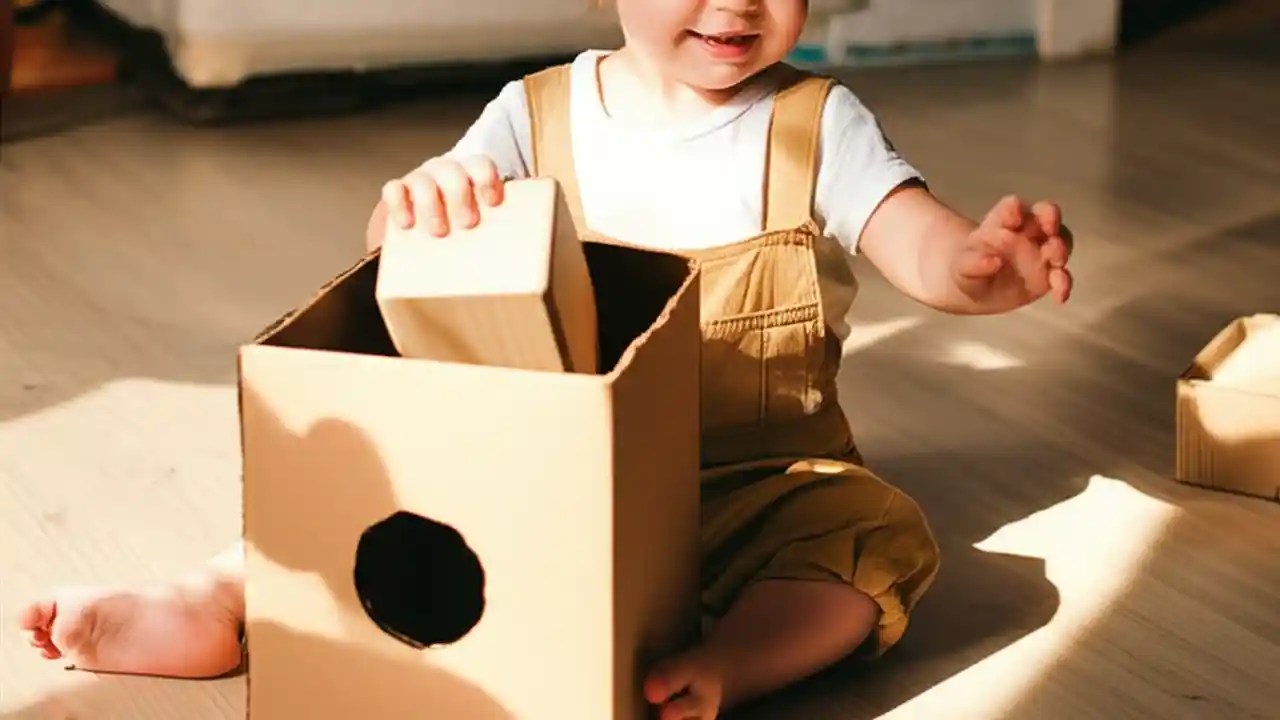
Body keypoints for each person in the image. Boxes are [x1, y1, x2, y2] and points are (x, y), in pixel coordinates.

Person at [20, 1, 1074, 717]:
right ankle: (222, 597)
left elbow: (917, 243)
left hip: (750, 483)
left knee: (864, 537)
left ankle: (729, 662)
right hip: (547, 479)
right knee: (365, 495)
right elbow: (419, 233)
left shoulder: (814, 125)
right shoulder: (534, 114)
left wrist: (980, 268)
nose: (735, 1)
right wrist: (416, 208)